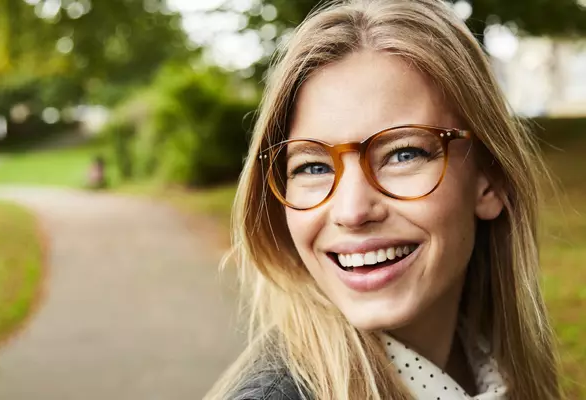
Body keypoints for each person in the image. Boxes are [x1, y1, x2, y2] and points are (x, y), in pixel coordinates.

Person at [205, 0, 560, 399]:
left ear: (489, 182)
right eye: (313, 167)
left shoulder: (490, 364)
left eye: (403, 154)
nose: (353, 211)